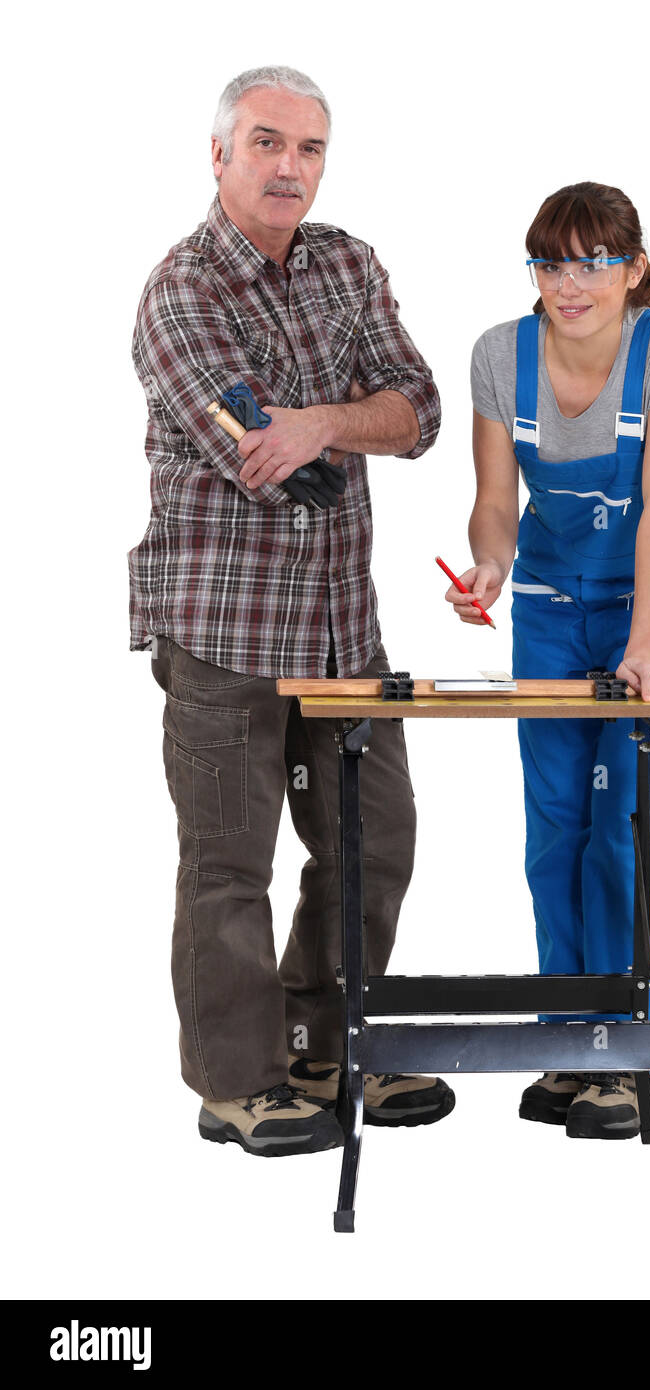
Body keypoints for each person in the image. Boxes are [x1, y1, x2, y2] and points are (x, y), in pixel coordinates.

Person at [130, 65, 454, 1157]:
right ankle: (238, 1081)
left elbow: (420, 410)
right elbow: (263, 457)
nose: (288, 167)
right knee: (229, 865)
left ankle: (327, 1044)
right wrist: (331, 429)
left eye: (309, 149)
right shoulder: (181, 292)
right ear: (220, 154)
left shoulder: (349, 263)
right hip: (224, 629)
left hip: (340, 627)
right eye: (266, 143)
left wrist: (322, 422)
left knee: (374, 843)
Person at [446, 182, 650, 1141]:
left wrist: (644, 650)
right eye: (550, 262)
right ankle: (568, 1037)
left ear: (632, 268)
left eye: (593, 261)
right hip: (552, 605)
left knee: (624, 820)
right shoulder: (498, 354)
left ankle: (627, 1042)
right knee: (554, 824)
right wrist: (487, 566)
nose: (570, 283)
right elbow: (493, 499)